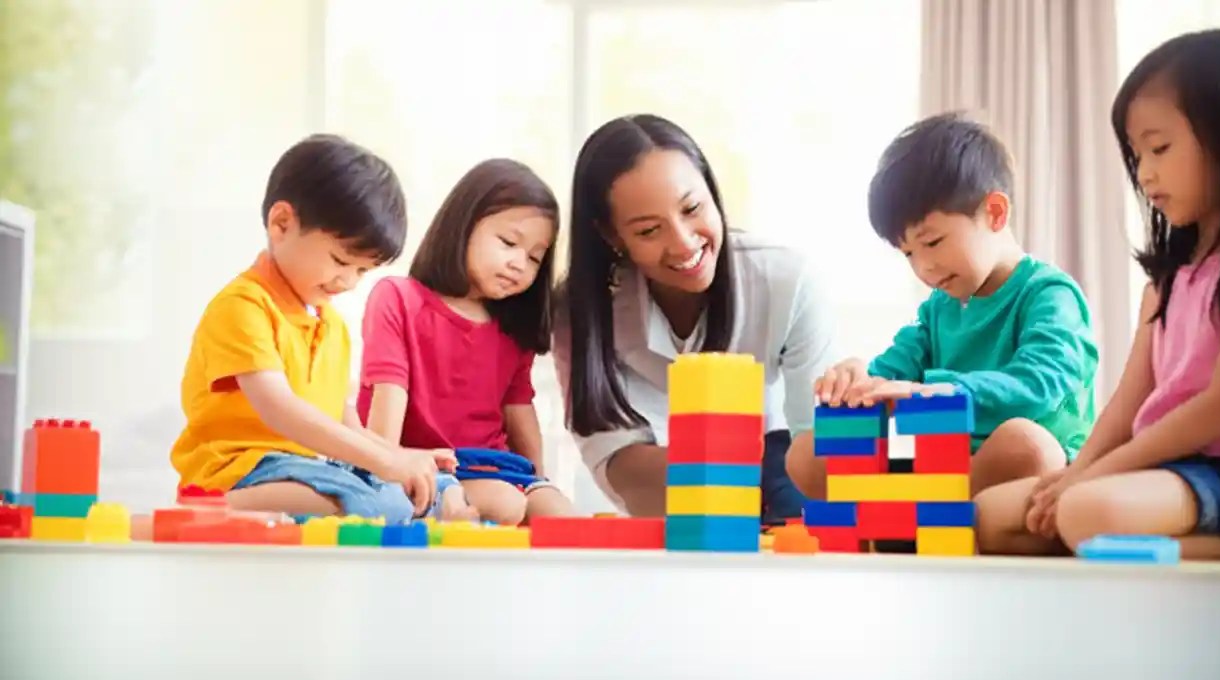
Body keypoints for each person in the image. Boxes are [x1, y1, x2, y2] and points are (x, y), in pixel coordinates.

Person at [977, 29, 1220, 560]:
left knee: (1084, 512)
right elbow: (1124, 408)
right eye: (1137, 156)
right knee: (995, 516)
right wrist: (1077, 470)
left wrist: (1098, 476)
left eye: (1160, 148)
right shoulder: (1165, 283)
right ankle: (1115, 542)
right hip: (1171, 469)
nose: (1146, 173)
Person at [789, 113, 1099, 498]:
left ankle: (916, 516)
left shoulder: (1049, 294)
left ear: (995, 213)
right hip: (938, 466)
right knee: (807, 450)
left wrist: (937, 391)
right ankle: (916, 516)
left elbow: (1040, 383)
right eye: (908, 254)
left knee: (1026, 444)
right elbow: (894, 373)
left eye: (933, 242)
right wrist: (860, 383)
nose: (924, 267)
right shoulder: (938, 309)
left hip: (1024, 472)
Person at [553, 113, 841, 522]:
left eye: (692, 208)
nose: (683, 243)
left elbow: (815, 452)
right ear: (612, 236)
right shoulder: (581, 313)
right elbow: (621, 468)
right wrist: (735, 468)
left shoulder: (786, 280)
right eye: (649, 231)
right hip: (668, 519)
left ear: (711, 188)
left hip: (784, 505)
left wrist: (742, 470)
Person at [171, 134, 447, 524]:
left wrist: (399, 458)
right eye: (340, 260)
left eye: (363, 271)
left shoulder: (330, 324)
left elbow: (342, 421)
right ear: (281, 223)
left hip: (305, 469)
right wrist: (384, 461)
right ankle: (205, 508)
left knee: (438, 494)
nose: (349, 282)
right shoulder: (243, 306)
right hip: (239, 469)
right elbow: (282, 411)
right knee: (376, 505)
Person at [359, 158, 575, 525]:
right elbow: (387, 410)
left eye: (535, 258)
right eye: (508, 242)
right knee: (504, 504)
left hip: (496, 468)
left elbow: (520, 412)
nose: (520, 264)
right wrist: (386, 472)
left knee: (560, 515)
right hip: (421, 467)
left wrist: (541, 482)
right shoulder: (398, 298)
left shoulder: (512, 328)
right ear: (464, 225)